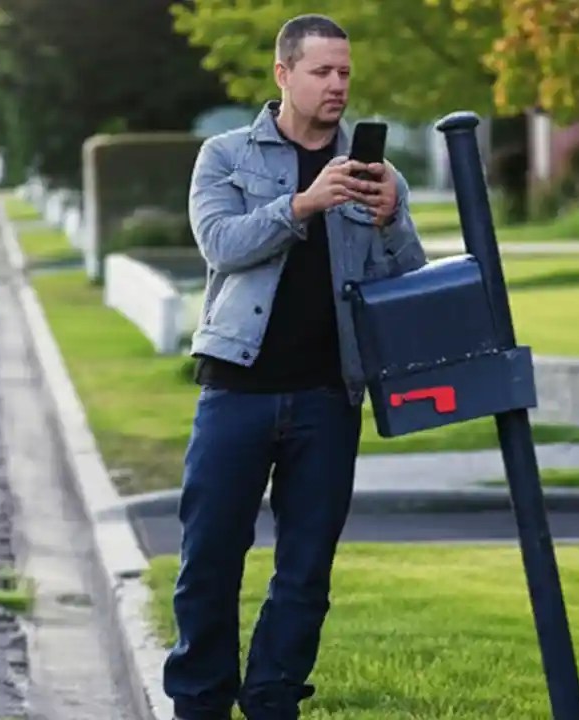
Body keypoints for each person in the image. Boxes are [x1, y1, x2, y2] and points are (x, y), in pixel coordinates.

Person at [164, 13, 427, 720]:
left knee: (306, 571)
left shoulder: (377, 173)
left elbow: (408, 278)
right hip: (237, 390)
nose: (338, 84)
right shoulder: (225, 156)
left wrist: (392, 219)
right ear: (284, 74)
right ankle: (198, 702)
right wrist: (302, 205)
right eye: (322, 71)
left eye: (345, 72)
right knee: (209, 562)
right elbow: (221, 244)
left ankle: (274, 697)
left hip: (327, 397)